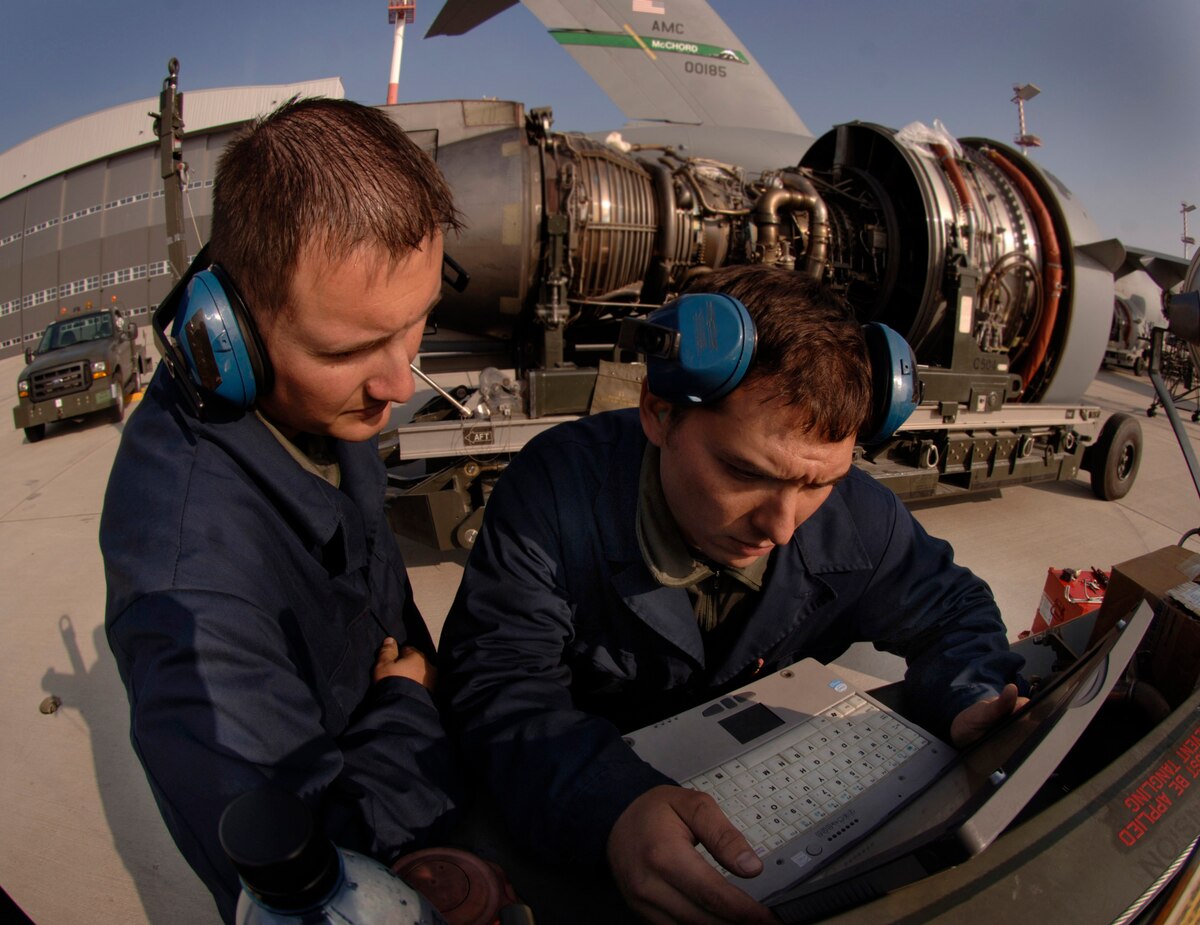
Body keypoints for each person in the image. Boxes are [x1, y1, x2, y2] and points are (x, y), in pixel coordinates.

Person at [438, 265, 1026, 925]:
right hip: (583, 802)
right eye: (744, 471)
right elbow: (500, 683)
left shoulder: (860, 516)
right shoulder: (555, 493)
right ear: (659, 413)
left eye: (817, 483)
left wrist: (971, 692)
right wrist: (611, 807)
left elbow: (951, 610)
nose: (780, 525)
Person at [101, 98, 463, 923]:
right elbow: (323, 883)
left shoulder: (325, 398)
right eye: (349, 350)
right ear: (226, 331)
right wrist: (409, 707)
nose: (401, 384)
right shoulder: (188, 584)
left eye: (418, 322)